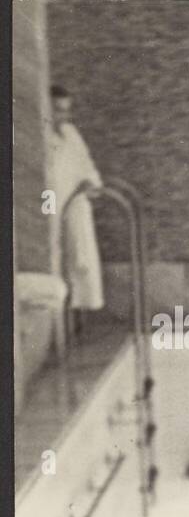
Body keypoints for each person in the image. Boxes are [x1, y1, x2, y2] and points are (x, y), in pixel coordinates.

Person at [46, 85, 104, 337]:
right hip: (53, 209)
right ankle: (61, 331)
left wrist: (90, 182)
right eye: (58, 110)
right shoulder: (40, 137)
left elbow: (86, 164)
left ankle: (77, 324)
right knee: (62, 265)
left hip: (76, 207)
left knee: (82, 268)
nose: (64, 117)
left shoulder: (70, 133)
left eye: (67, 111)